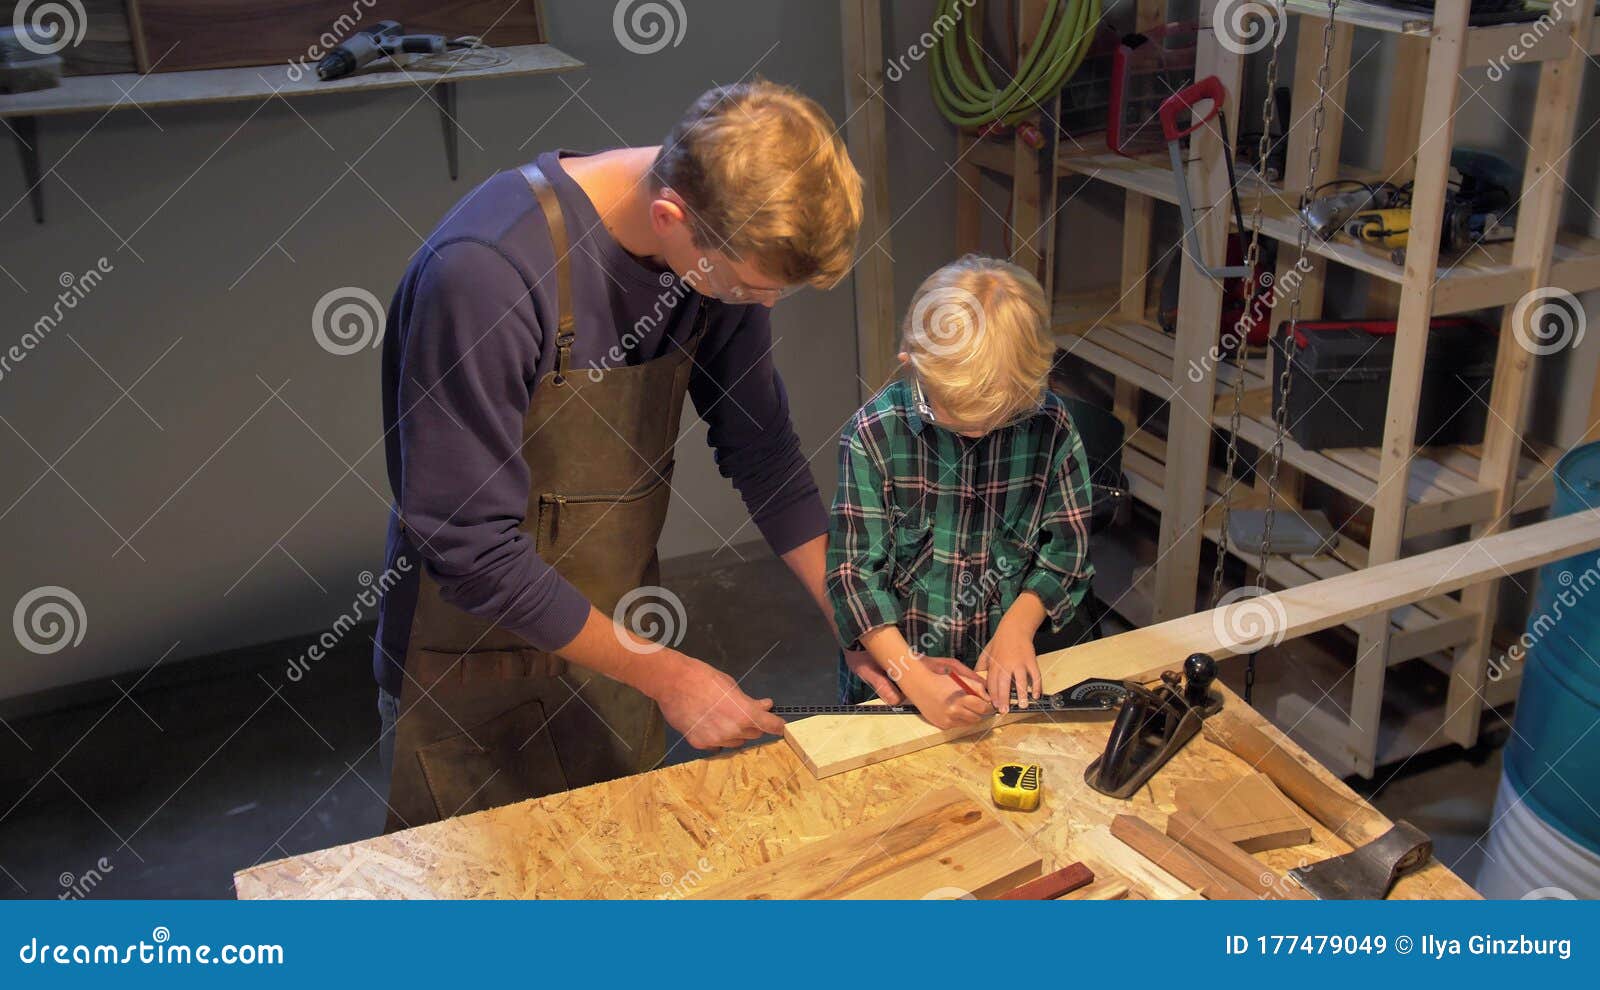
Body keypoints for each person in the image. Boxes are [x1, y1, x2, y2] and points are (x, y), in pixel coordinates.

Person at [374, 81, 865, 832]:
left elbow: (761, 452)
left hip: (613, 651)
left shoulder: (711, 258)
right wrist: (667, 674)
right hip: (467, 671)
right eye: (753, 287)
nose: (761, 307)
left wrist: (861, 625)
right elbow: (469, 550)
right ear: (671, 217)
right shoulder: (486, 274)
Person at [825, 255, 1095, 729]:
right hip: (897, 683)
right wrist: (912, 677)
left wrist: (1018, 627)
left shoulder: (1051, 427)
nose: (983, 429)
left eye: (1003, 413)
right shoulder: (873, 435)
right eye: (960, 412)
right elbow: (853, 579)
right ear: (914, 366)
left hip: (1000, 673)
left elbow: (1068, 552)